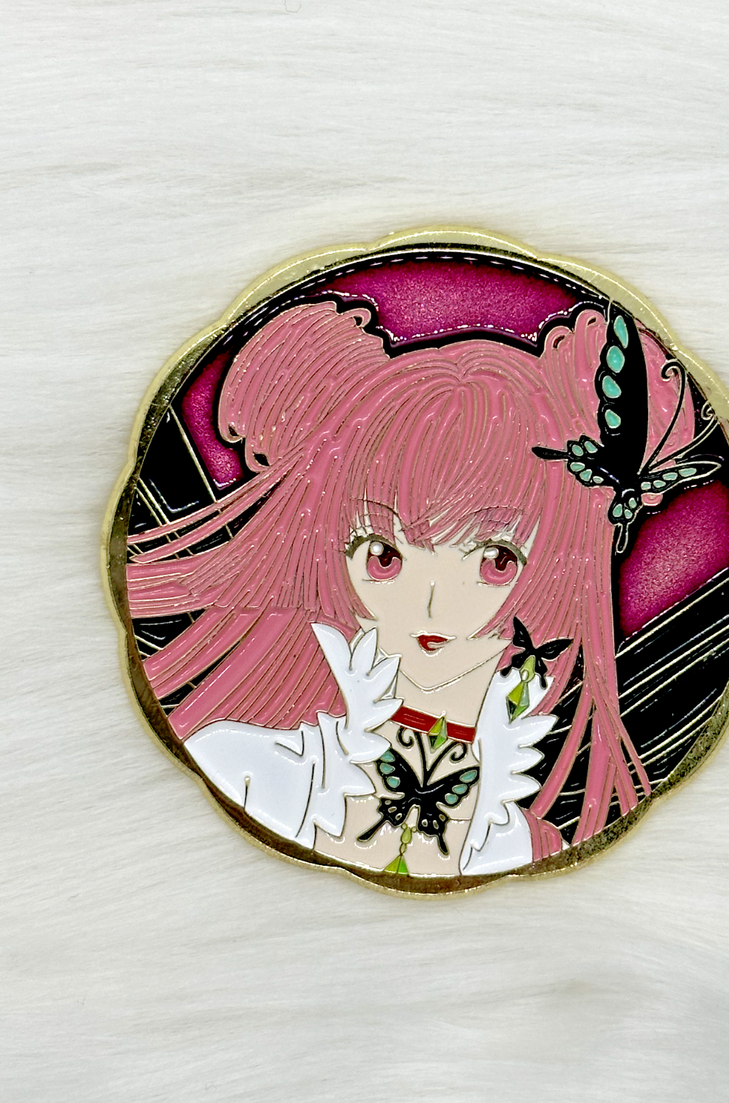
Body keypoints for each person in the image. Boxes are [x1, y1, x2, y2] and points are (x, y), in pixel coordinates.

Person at [126, 297, 694, 878]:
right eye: (384, 557)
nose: (432, 604)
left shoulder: (522, 848)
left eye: (495, 561)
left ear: (556, 566)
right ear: (328, 552)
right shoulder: (245, 771)